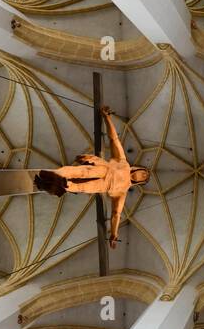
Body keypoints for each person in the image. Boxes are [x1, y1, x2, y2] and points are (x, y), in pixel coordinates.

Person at [33, 106, 149, 248]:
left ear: (140, 182)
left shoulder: (123, 190)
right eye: (144, 172)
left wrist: (114, 233)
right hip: (102, 170)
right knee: (76, 172)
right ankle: (52, 176)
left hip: (102, 186)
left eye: (143, 177)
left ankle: (51, 185)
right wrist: (107, 118)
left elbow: (116, 214)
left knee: (77, 187)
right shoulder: (123, 163)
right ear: (138, 167)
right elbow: (114, 139)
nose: (142, 175)